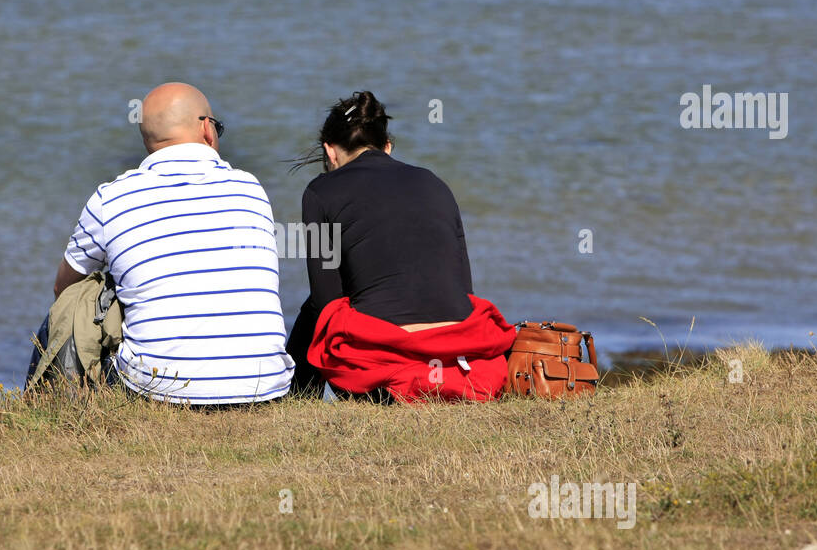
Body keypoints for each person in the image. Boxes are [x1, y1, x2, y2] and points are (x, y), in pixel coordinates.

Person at [30, 82, 294, 405]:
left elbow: (63, 288)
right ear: (206, 129)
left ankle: (46, 405)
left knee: (78, 298)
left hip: (157, 394)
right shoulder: (251, 189)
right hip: (265, 390)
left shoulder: (111, 198)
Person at [285, 91, 517, 401]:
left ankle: (296, 398)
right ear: (388, 146)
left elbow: (327, 303)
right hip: (458, 359)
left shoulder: (319, 191)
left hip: (381, 371)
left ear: (329, 151)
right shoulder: (435, 183)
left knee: (313, 308)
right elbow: (465, 290)